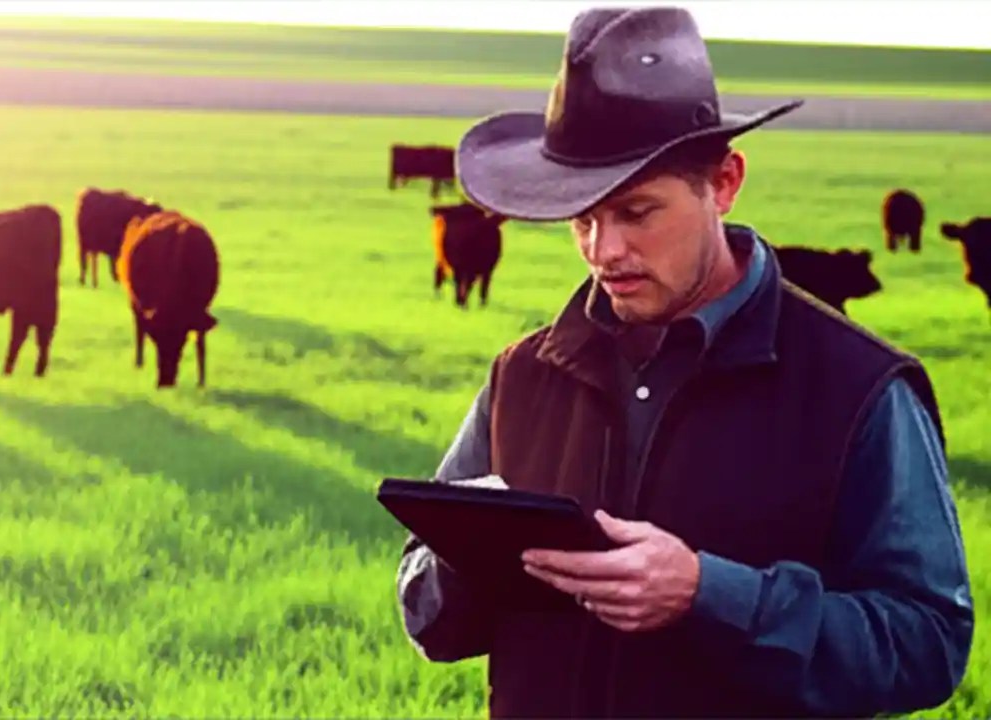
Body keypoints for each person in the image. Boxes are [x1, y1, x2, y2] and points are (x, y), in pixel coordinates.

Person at [394, 6, 974, 719]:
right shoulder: (522, 375)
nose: (604, 251)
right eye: (582, 219)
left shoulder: (858, 388)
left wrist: (709, 594)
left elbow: (929, 645)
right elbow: (425, 611)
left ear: (724, 183)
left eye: (637, 212)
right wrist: (472, 555)